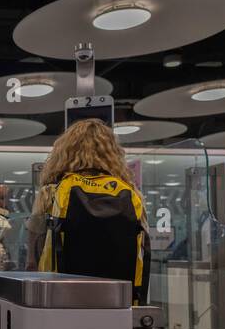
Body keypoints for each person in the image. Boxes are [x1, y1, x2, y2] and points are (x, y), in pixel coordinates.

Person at [25, 120, 149, 305]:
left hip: (61, 301)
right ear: (112, 153)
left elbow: (32, 262)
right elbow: (143, 250)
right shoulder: (131, 194)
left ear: (64, 152)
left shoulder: (51, 193)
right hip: (118, 302)